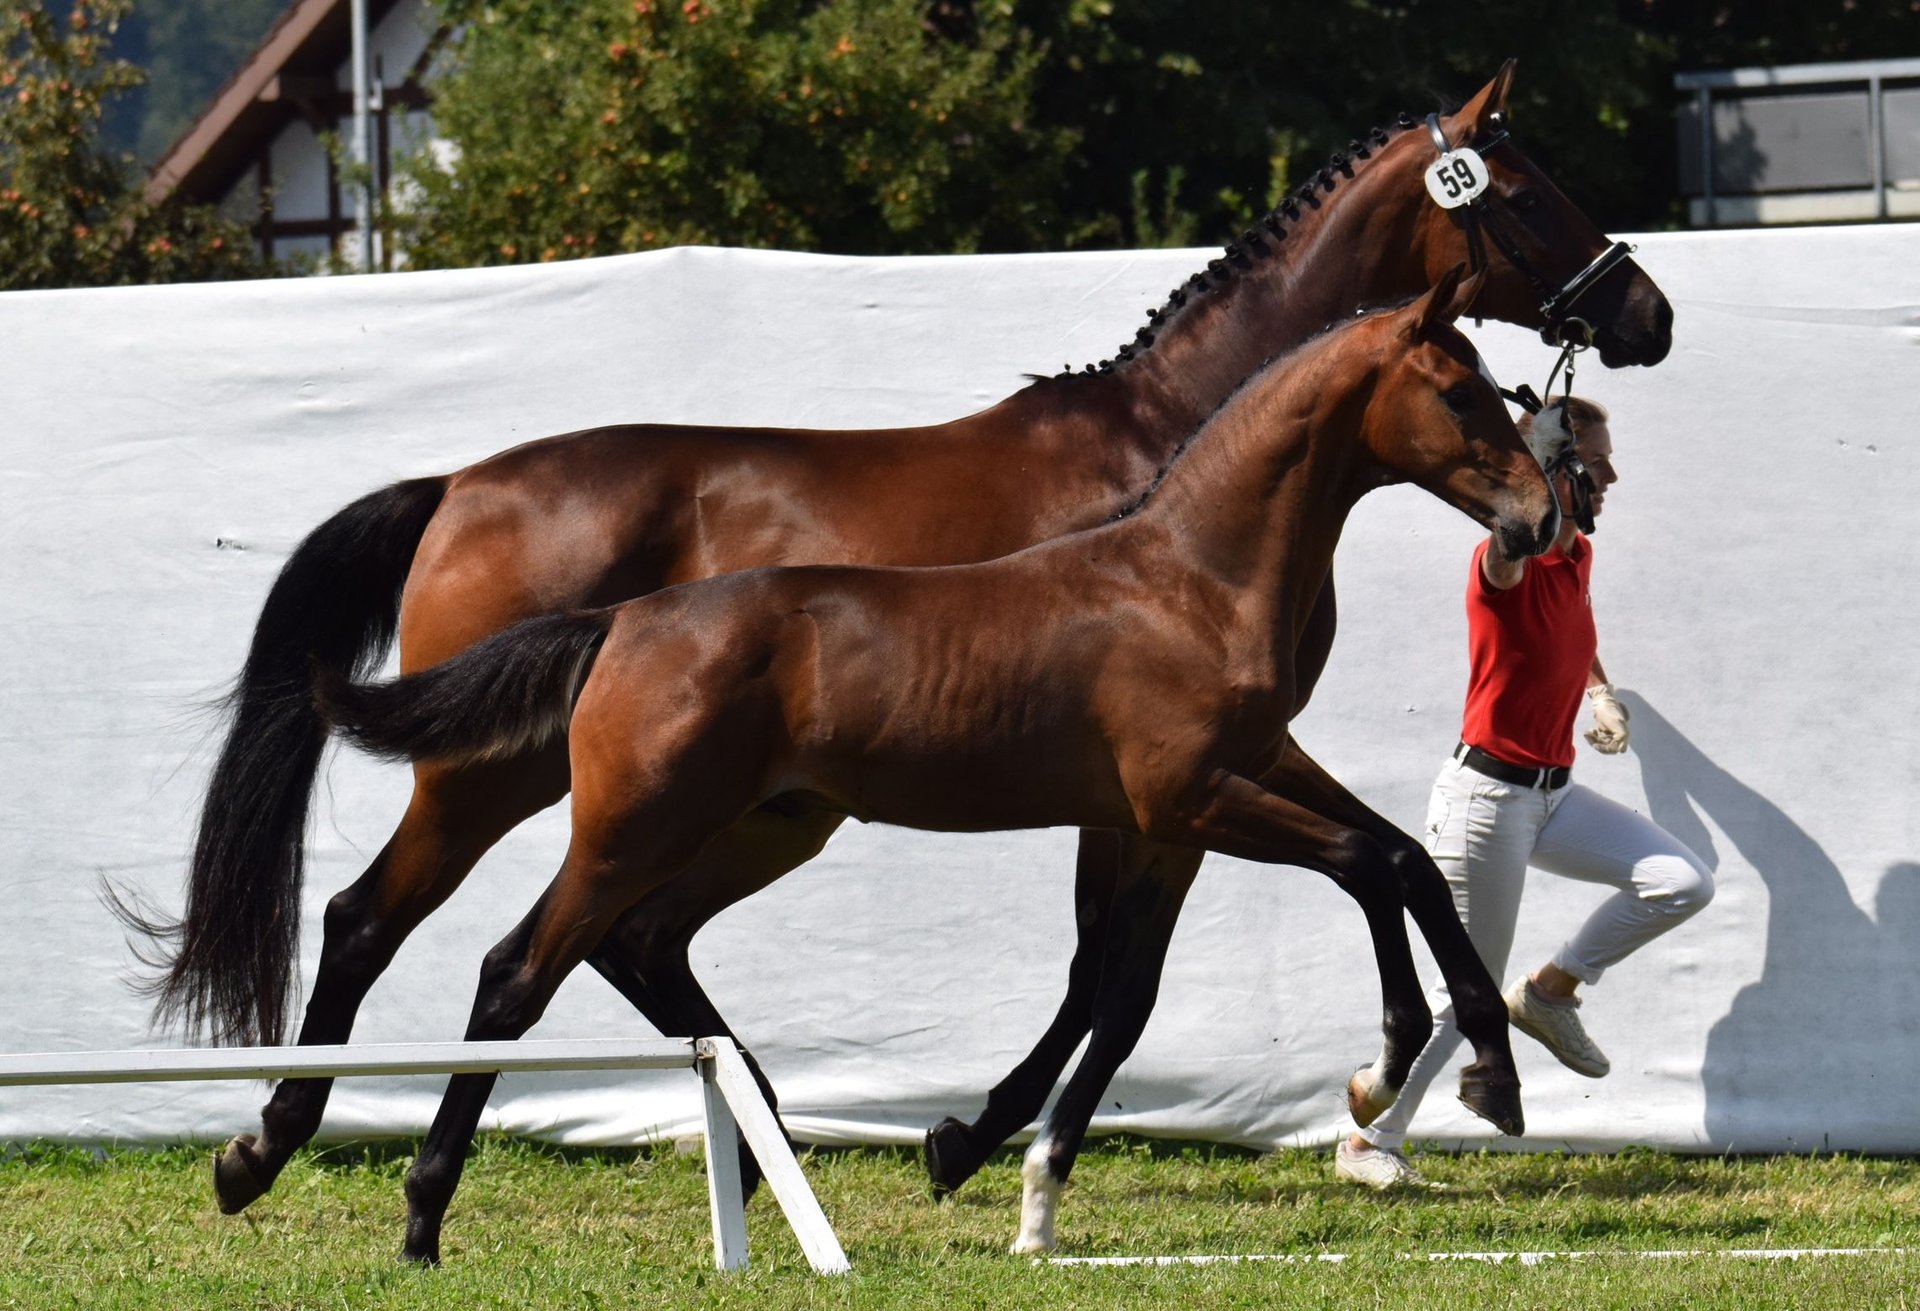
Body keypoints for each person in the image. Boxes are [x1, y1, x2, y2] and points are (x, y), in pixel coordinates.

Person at [1335, 396, 1714, 1190]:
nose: (1611, 475)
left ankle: (1549, 992)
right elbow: (1508, 556)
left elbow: (1577, 629)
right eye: (1596, 463)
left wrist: (1599, 693)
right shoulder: (1499, 565)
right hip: (1485, 803)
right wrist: (1527, 473)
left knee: (1681, 881)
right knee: (1466, 986)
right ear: (1557, 470)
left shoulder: (1577, 560)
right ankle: (1371, 1140)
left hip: (1551, 795)